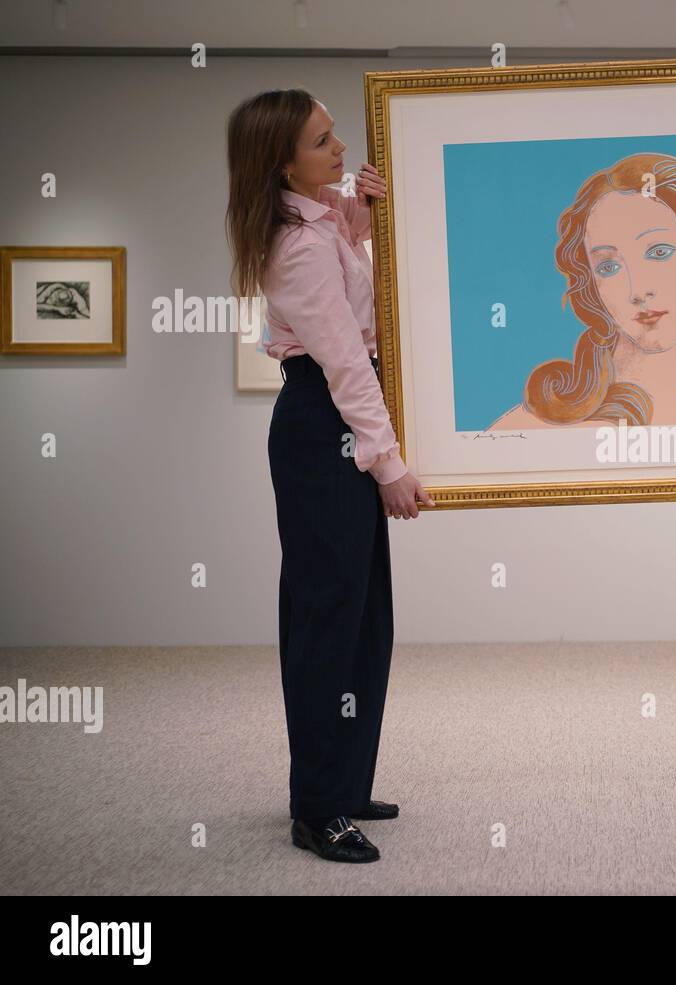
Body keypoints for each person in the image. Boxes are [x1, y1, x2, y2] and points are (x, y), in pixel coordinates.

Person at [225, 88, 433, 862]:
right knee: (326, 620)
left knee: (364, 615)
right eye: (323, 141)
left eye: (334, 133)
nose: (340, 149)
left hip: (336, 419)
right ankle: (316, 806)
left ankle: (345, 782)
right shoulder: (297, 246)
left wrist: (361, 211)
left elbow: (355, 271)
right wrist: (389, 465)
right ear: (282, 161)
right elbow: (348, 365)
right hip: (324, 430)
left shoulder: (319, 221)